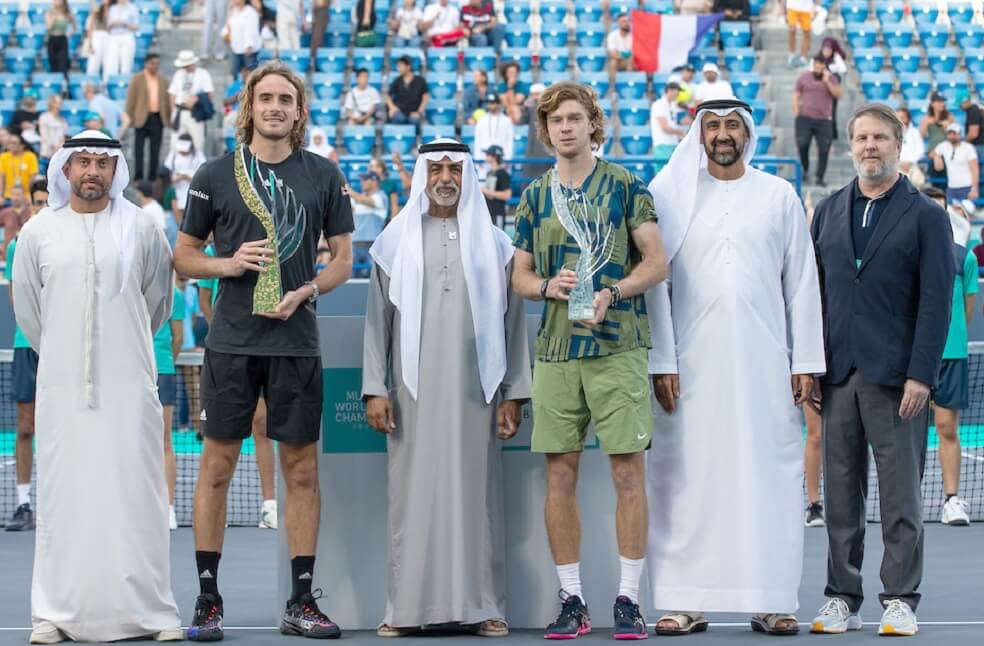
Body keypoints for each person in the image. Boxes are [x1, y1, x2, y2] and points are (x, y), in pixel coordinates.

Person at [174, 62, 353, 641]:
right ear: (249, 107)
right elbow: (183, 256)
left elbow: (343, 261)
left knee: (301, 469)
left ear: (299, 112)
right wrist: (226, 264)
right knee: (218, 468)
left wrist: (306, 289)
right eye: (266, 98)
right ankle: (207, 599)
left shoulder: (323, 175)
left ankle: (302, 600)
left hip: (296, 343)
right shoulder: (214, 173)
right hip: (229, 342)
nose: (276, 107)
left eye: (286, 99)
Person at [645, 98, 824, 636]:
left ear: (747, 134)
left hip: (766, 362)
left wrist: (807, 360)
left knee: (767, 474)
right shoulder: (668, 197)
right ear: (698, 134)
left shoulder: (778, 195)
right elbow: (656, 285)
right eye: (712, 126)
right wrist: (661, 360)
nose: (722, 135)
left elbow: (802, 282)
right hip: (689, 370)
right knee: (685, 479)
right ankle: (683, 600)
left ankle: (770, 599)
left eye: (731, 126)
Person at [510, 81, 669, 640]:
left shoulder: (626, 185)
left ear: (592, 124)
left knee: (628, 471)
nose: (566, 128)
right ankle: (572, 600)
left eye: (576, 118)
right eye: (556, 121)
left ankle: (628, 598)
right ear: (547, 130)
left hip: (618, 347)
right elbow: (519, 275)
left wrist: (615, 293)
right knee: (560, 474)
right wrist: (548, 287)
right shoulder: (533, 196)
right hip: (555, 353)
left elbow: (656, 262)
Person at [11, 130, 181, 643]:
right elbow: (30, 312)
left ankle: (150, 613)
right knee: (66, 496)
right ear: (64, 170)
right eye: (82, 161)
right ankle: (56, 613)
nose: (91, 171)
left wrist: (119, 350)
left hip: (130, 387)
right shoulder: (39, 232)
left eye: (101, 163)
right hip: (62, 391)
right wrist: (70, 355)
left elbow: (157, 305)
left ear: (115, 171)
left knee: (137, 493)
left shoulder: (143, 228)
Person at [362, 138, 531, 637]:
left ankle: (484, 605)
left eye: (453, 170)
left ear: (467, 176)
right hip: (411, 397)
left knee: (477, 498)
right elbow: (377, 324)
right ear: (422, 174)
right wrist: (374, 387)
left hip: (477, 395)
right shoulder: (394, 241)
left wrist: (515, 393)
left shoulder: (496, 244)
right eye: (435, 169)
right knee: (411, 498)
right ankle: (406, 609)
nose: (445, 178)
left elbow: (514, 323)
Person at [809, 104, 954, 637]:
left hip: (898, 381)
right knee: (841, 495)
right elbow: (815, 297)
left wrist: (921, 373)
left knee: (901, 496)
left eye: (880, 138)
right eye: (861, 138)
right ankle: (842, 597)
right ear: (851, 146)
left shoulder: (927, 216)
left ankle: (899, 597)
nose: (870, 146)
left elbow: (937, 302)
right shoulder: (826, 211)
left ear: (899, 144)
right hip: (838, 374)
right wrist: (809, 367)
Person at [196, 244, 281, 530]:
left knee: (262, 424)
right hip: (227, 353)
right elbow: (205, 300)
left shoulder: (269, 247)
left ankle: (270, 504)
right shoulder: (212, 251)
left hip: (269, 348)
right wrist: (224, 332)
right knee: (219, 448)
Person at [924, 191, 978, 526]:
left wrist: (951, 335)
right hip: (912, 356)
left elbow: (968, 307)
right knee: (905, 433)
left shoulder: (964, 257)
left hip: (951, 353)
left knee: (946, 426)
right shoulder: (909, 253)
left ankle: (952, 498)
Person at [3, 177, 46, 533]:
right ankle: (23, 502)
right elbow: (19, 299)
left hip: (62, 347)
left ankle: (59, 501)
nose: (41, 208)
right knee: (26, 426)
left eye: (46, 202)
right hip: (26, 346)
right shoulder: (18, 246)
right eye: (37, 202)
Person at [794, 55, 843, 187]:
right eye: (816, 66)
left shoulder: (831, 78)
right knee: (802, 144)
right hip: (805, 119)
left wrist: (827, 82)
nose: (818, 69)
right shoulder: (804, 77)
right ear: (813, 65)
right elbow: (797, 94)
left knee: (824, 149)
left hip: (824, 120)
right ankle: (805, 169)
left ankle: (819, 177)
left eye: (821, 67)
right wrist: (797, 112)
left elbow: (838, 94)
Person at [126, 53, 172, 182]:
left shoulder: (163, 80)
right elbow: (131, 99)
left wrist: (168, 117)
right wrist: (130, 117)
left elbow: (167, 101)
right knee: (139, 150)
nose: (155, 66)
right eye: (153, 63)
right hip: (141, 118)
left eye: (157, 64)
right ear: (146, 63)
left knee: (155, 150)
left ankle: (153, 177)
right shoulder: (137, 79)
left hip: (157, 118)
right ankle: (138, 176)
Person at [169, 50, 216, 155]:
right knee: (175, 144)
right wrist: (173, 111)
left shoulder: (203, 74)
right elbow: (172, 93)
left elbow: (210, 93)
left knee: (198, 143)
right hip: (180, 111)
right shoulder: (178, 74)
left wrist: (196, 98)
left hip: (195, 112)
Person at [349, 171, 387, 275]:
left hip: (372, 245)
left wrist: (350, 192)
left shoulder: (381, 197)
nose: (362, 182)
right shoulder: (358, 198)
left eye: (365, 179)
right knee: (352, 280)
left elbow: (366, 201)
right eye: (362, 179)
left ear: (375, 181)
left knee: (371, 279)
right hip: (355, 244)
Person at [930, 123, 980, 203]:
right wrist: (937, 157)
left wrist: (974, 189)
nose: (952, 136)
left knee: (965, 214)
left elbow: (975, 169)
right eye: (949, 133)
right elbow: (932, 153)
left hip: (966, 187)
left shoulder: (968, 147)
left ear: (959, 134)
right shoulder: (944, 146)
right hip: (951, 188)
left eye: (954, 133)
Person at [164, 133, 207, 223]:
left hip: (193, 190)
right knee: (178, 216)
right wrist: (178, 178)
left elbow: (204, 174)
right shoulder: (173, 155)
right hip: (176, 190)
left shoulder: (198, 156)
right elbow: (166, 174)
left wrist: (188, 177)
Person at [817, 37, 848, 139]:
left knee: (831, 110)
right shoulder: (817, 58)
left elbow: (843, 69)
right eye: (824, 50)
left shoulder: (836, 58)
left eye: (828, 50)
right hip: (820, 88)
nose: (826, 52)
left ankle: (832, 134)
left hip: (832, 86)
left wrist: (831, 70)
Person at [473, 94, 514, 167]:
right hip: (484, 159)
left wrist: (507, 160)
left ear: (498, 104)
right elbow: (478, 140)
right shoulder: (482, 120)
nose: (490, 105)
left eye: (493, 102)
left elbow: (509, 141)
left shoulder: (507, 121)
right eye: (489, 103)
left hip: (501, 158)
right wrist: (478, 159)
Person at [387, 56, 429, 125]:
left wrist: (419, 111)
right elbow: (388, 95)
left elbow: (425, 97)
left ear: (408, 67)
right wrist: (392, 107)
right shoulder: (397, 80)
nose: (398, 69)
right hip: (400, 110)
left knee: (415, 120)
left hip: (415, 110)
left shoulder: (420, 80)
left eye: (400, 66)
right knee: (398, 118)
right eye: (398, 66)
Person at [225, 0, 262, 77]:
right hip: (236, 49)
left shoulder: (250, 12)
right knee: (236, 74)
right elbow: (229, 27)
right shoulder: (233, 12)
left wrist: (249, 45)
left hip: (248, 50)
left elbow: (251, 30)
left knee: (252, 75)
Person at [103, 0, 139, 80]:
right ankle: (108, 85)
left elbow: (136, 26)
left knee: (126, 64)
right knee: (111, 64)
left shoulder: (133, 8)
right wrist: (112, 24)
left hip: (126, 36)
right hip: (113, 36)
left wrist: (124, 23)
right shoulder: (113, 8)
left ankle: (125, 85)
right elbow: (107, 27)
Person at [650, 82, 687, 158]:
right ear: (670, 90)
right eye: (677, 91)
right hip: (663, 145)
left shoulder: (671, 105)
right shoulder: (659, 104)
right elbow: (664, 127)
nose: (678, 93)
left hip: (672, 144)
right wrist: (681, 133)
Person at [0, 133, 39, 200]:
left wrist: (26, 194)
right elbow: (1, 177)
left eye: (14, 143)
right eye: (10, 143)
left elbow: (32, 177)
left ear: (22, 146)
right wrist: (1, 195)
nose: (11, 145)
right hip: (8, 196)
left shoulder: (30, 156)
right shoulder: (4, 157)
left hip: (26, 197)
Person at [481, 144, 511, 228]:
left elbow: (507, 195)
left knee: (498, 238)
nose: (486, 156)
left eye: (488, 154)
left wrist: (488, 192)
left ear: (494, 157)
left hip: (498, 212)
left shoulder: (502, 173)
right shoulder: (489, 172)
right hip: (489, 212)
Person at [0, 185, 32, 260]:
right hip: (8, 256)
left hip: (26, 255)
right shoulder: (5, 213)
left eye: (18, 194)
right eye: (13, 195)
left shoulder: (30, 212)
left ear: (23, 196)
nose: (15, 197)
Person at [45, 0, 76, 76]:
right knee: (53, 66)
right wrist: (55, 14)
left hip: (62, 40)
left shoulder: (67, 14)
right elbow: (49, 27)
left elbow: (74, 28)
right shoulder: (49, 12)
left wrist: (69, 35)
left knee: (62, 66)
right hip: (52, 40)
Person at [897, 107, 926, 184]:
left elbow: (921, 150)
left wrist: (910, 162)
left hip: (912, 165)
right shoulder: (891, 133)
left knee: (918, 180)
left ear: (908, 118)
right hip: (897, 165)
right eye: (898, 117)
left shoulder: (915, 132)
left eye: (903, 117)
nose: (901, 120)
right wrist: (900, 163)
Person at [784, 0, 816, 67]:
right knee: (792, 30)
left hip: (807, 8)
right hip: (792, 6)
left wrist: (815, 7)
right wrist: (783, 10)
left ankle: (803, 57)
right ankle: (791, 55)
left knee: (806, 33)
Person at [38, 95, 69, 165]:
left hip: (59, 154)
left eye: (61, 102)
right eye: (58, 102)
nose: (60, 104)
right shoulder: (44, 117)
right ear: (51, 103)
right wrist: (54, 146)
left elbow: (64, 136)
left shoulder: (63, 120)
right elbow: (44, 135)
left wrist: (60, 147)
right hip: (47, 153)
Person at [84, 0, 111, 77]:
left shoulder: (113, 9)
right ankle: (90, 84)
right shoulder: (96, 10)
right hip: (97, 37)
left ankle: (106, 84)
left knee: (108, 64)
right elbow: (90, 28)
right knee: (93, 63)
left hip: (109, 37)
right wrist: (90, 43)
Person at [960, 93, 984, 160]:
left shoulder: (972, 111)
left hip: (979, 146)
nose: (960, 107)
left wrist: (962, 143)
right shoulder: (976, 109)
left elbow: (973, 134)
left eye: (960, 104)